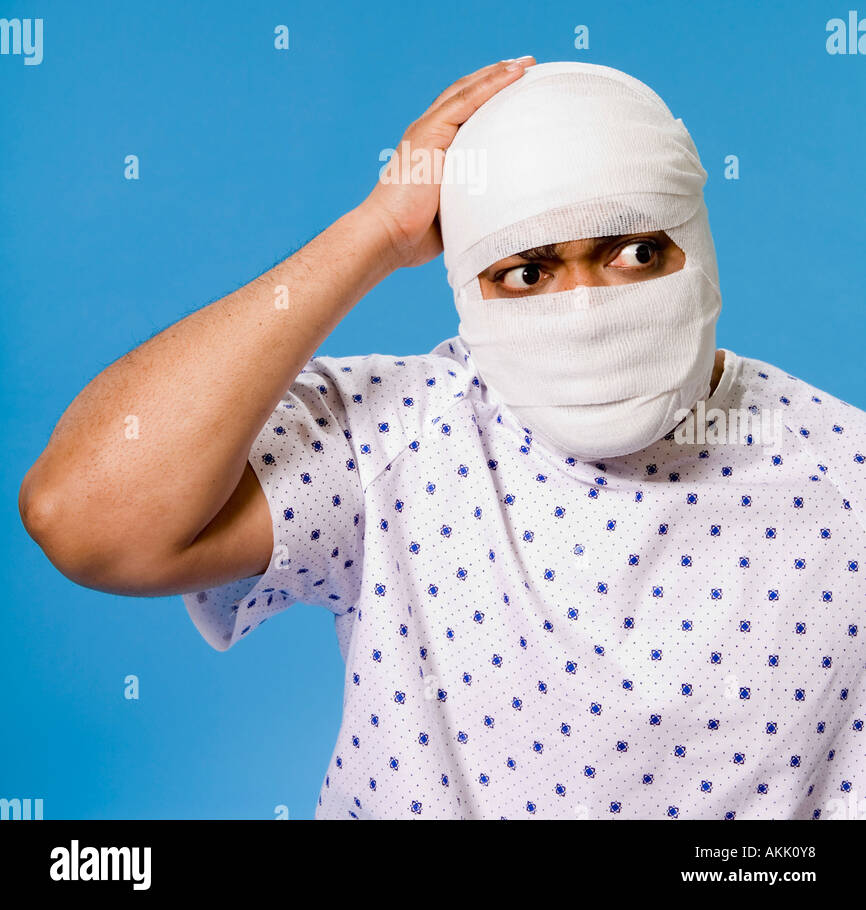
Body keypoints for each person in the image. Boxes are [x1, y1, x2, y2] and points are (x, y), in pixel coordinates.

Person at [19, 58, 866, 822]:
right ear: (467, 286)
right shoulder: (400, 441)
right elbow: (86, 516)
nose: (584, 308)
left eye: (636, 252)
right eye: (527, 272)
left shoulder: (842, 475)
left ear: (697, 241)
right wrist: (378, 231)